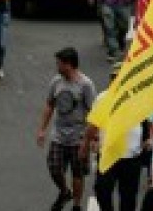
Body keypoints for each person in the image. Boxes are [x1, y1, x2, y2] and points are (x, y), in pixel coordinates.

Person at [85, 62, 149, 211]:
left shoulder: (138, 98)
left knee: (128, 197)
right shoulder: (102, 98)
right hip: (108, 153)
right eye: (113, 77)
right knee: (102, 190)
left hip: (131, 156)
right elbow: (94, 122)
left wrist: (147, 139)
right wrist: (91, 141)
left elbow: (145, 122)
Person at [38, 47, 97, 211]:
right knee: (54, 168)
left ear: (69, 65)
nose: (57, 66)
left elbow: (94, 112)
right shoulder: (56, 82)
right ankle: (65, 191)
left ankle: (77, 205)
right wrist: (42, 129)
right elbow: (49, 105)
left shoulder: (86, 85)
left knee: (77, 174)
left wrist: (92, 138)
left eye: (59, 64)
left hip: (79, 138)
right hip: (59, 136)